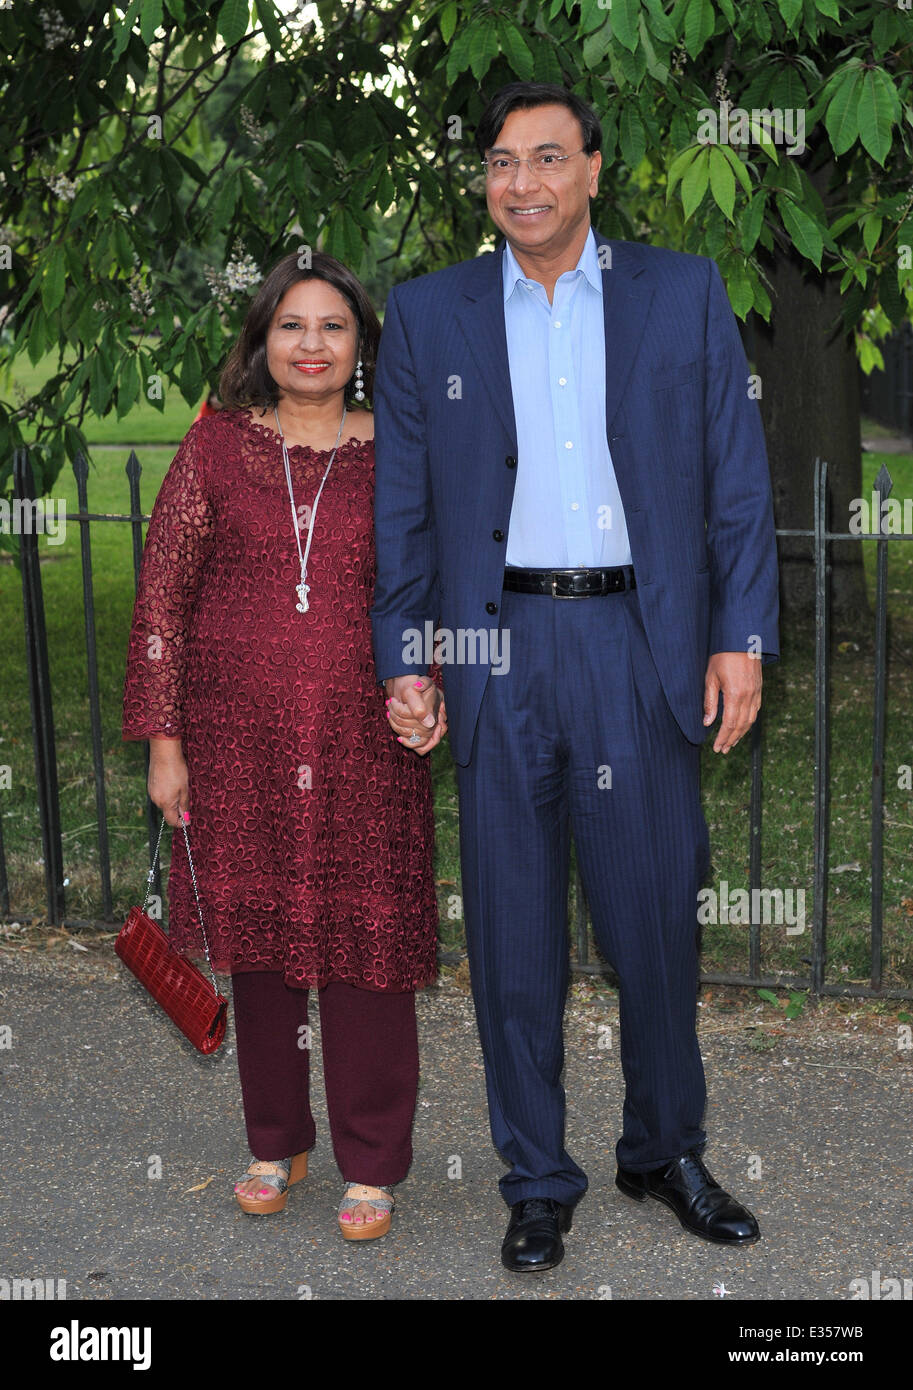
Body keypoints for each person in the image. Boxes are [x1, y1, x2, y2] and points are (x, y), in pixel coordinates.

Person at [374, 82, 779, 1272]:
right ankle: (535, 1177)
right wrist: (411, 658)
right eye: (503, 162)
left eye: (548, 159)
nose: (523, 184)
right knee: (510, 936)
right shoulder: (428, 314)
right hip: (498, 650)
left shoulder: (681, 294)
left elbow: (736, 484)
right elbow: (404, 517)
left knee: (655, 923)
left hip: (633, 646)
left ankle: (662, 1148)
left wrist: (738, 636)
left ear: (595, 171)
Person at [122, 250, 444, 1239]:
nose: (312, 344)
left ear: (360, 346)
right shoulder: (218, 445)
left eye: (333, 326)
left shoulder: (401, 447)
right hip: (233, 741)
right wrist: (165, 742)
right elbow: (164, 597)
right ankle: (274, 1138)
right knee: (256, 947)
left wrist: (431, 688)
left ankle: (374, 1158)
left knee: (367, 948)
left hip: (365, 739)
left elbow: (431, 586)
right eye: (292, 325)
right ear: (263, 339)